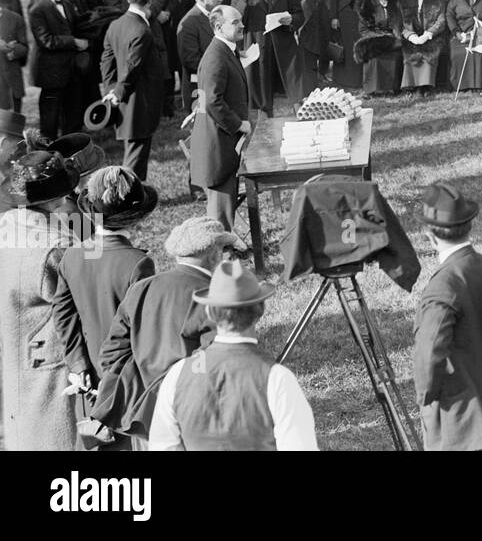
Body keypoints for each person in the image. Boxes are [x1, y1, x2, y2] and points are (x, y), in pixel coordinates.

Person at [90, 217, 234, 445]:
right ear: (214, 254)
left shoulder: (141, 288)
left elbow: (111, 354)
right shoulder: (214, 296)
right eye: (225, 250)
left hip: (143, 418)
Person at [149, 259, 317, 451]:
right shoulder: (277, 378)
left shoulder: (178, 374)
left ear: (210, 313)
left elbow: (162, 445)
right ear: (260, 310)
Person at [53, 166, 158, 449]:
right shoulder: (138, 263)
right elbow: (144, 331)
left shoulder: (72, 256)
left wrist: (77, 363)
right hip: (127, 386)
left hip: (87, 381)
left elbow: (63, 315)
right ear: (135, 217)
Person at [413, 185, 482, 451]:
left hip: (460, 421)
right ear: (469, 226)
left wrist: (425, 400)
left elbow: (429, 356)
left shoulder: (443, 287)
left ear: (430, 236)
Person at [0, 150, 82, 449]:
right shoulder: (56, 247)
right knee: (54, 431)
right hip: (49, 354)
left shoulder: (7, 223)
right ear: (59, 196)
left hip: (14, 339)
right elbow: (77, 302)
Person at [191, 6, 252, 230]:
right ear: (219, 27)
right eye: (235, 22)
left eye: (241, 21)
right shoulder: (215, 56)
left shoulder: (226, 49)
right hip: (218, 141)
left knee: (225, 204)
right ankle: (221, 252)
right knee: (220, 207)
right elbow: (212, 101)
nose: (242, 25)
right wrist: (239, 124)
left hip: (224, 138)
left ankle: (225, 244)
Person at [100, 0, 169, 179]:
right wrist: (119, 92)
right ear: (150, 1)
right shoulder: (142, 30)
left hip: (123, 97)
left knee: (135, 147)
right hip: (138, 99)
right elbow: (133, 66)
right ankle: (126, 195)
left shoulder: (115, 25)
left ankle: (135, 191)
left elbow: (106, 60)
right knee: (135, 152)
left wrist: (111, 89)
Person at [235, 0, 307, 113]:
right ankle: (265, 116)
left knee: (293, 82)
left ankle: (299, 111)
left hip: (284, 42)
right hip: (258, 44)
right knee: (261, 85)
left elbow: (300, 15)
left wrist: (291, 20)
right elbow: (236, 20)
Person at [29, 0, 91, 138]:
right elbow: (46, 41)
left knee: (72, 112)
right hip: (51, 73)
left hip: (71, 69)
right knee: (50, 118)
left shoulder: (66, 3)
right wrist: (73, 42)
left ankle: (71, 148)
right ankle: (48, 154)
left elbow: (77, 25)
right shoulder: (38, 10)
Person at [353, 0, 404, 96]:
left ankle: (391, 88)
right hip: (374, 39)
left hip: (394, 37)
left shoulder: (396, 0)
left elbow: (400, 22)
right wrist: (379, 37)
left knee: (395, 54)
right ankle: (374, 89)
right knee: (374, 57)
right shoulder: (366, 4)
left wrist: (395, 35)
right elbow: (363, 29)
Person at [177, 0, 222, 114]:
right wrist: (221, 67)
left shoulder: (215, 15)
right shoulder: (189, 24)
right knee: (202, 127)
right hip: (199, 88)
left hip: (216, 83)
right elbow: (191, 60)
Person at [398, 0, 446, 94]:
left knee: (429, 53)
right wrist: (411, 35)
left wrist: (429, 33)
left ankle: (426, 86)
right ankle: (411, 86)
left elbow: (441, 20)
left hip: (432, 35)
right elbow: (403, 21)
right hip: (413, 35)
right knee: (410, 53)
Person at [0, 0, 26, 112]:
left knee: (13, 121)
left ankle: (13, 129)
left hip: (10, 71)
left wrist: (12, 49)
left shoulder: (14, 18)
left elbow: (24, 46)